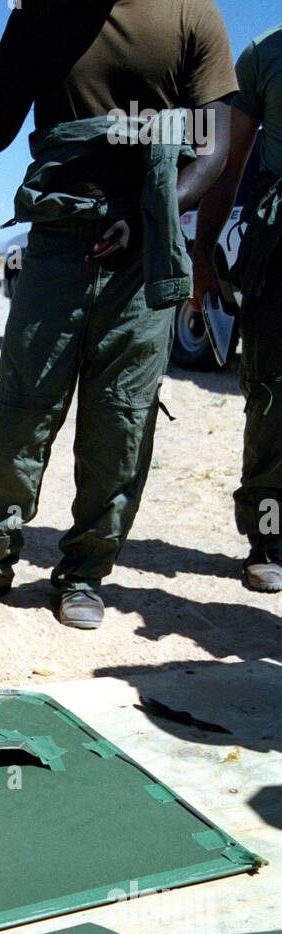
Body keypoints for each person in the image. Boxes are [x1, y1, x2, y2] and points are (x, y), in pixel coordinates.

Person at [0, 0, 237, 629]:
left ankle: (83, 576)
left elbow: (216, 145)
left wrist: (149, 217)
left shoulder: (189, 15)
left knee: (120, 423)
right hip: (57, 243)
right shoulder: (43, 14)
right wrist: (24, 25)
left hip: (143, 252)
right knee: (20, 411)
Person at [193, 22, 282, 594]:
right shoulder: (262, 56)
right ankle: (270, 537)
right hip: (279, 243)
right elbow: (226, 160)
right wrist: (203, 251)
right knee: (273, 395)